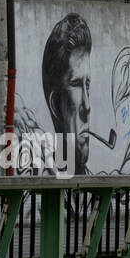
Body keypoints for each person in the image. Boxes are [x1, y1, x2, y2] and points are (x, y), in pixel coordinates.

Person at [41, 13, 93, 175]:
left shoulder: (94, 193)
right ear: (56, 104)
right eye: (76, 84)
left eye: (88, 85)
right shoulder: (43, 191)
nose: (87, 106)